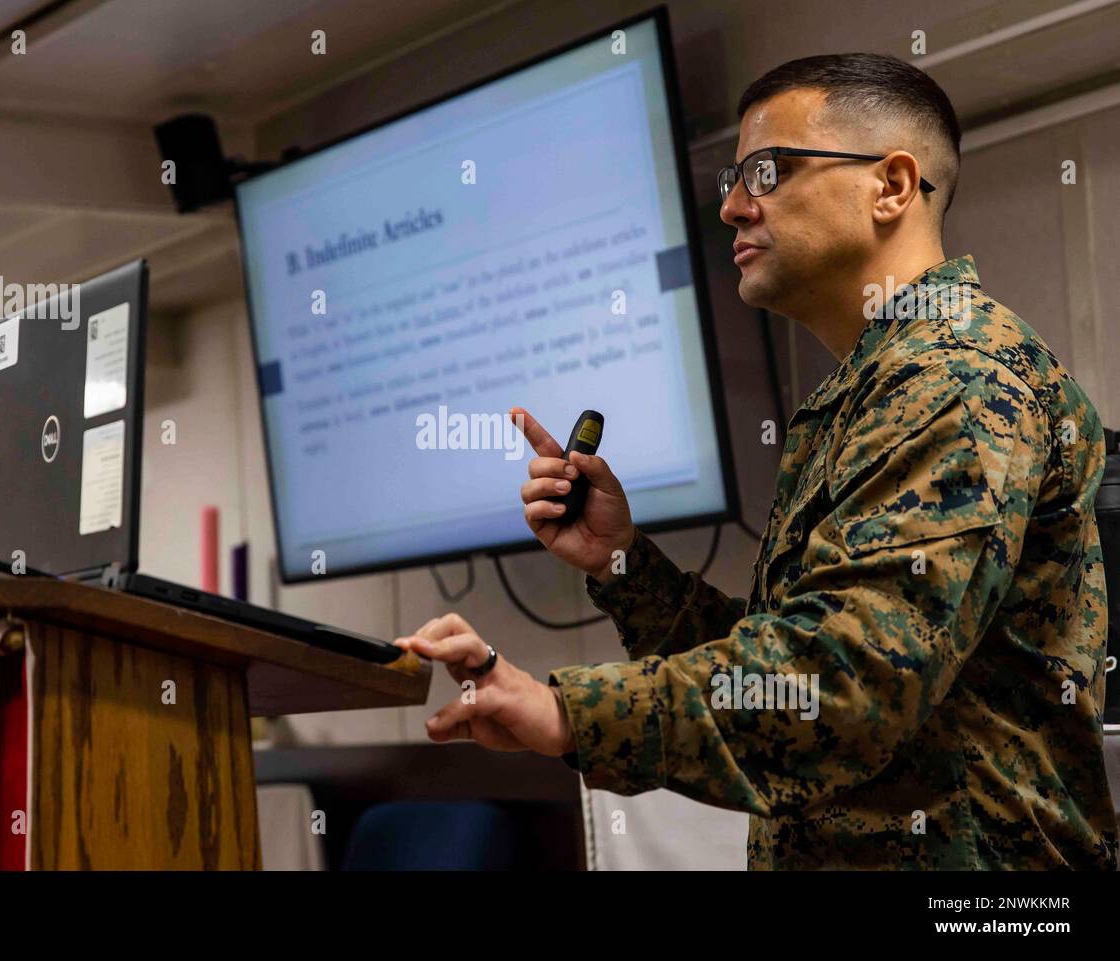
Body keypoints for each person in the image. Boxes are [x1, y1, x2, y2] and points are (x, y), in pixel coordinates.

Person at [394, 53, 1117, 869]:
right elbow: (790, 656)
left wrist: (562, 709)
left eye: (768, 172)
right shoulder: (873, 390)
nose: (735, 207)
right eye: (733, 179)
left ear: (891, 185)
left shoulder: (957, 379)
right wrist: (625, 564)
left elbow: (844, 680)